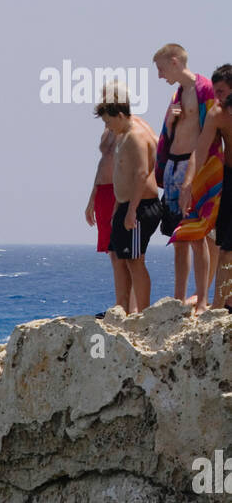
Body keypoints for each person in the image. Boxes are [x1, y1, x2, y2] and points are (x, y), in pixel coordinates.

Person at [154, 43, 224, 311]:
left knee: (196, 235)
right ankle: (178, 299)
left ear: (174, 61)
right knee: (178, 237)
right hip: (173, 164)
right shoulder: (177, 94)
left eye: (161, 68)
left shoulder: (204, 89)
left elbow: (209, 135)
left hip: (193, 168)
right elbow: (169, 134)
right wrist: (171, 123)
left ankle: (203, 300)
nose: (160, 75)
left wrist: (198, 177)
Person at [86, 84, 156, 311]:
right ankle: (123, 308)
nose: (106, 126)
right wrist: (112, 203)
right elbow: (114, 171)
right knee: (120, 255)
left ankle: (140, 311)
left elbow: (142, 172)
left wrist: (132, 208)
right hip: (119, 201)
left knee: (135, 260)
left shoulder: (135, 133)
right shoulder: (120, 134)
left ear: (120, 112)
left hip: (136, 205)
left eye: (108, 120)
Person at [181, 64, 232, 308]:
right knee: (226, 247)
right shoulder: (217, 114)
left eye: (220, 91)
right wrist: (188, 183)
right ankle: (220, 306)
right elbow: (199, 151)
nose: (216, 96)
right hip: (229, 178)